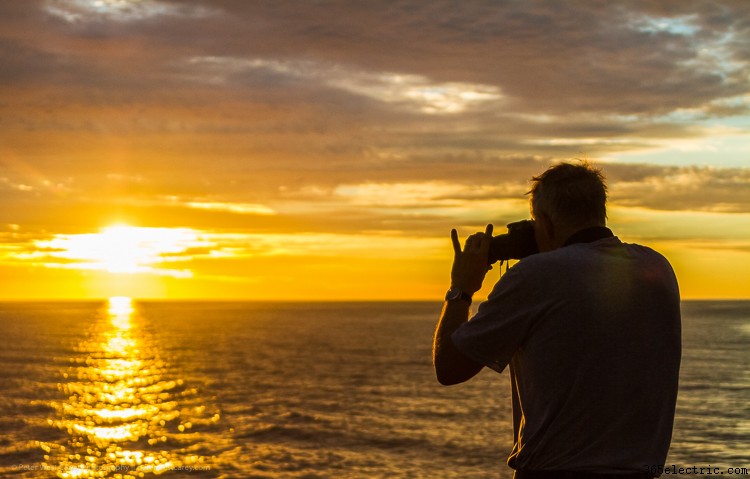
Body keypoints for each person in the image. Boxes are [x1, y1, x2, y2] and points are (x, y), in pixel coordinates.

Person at [432, 162, 681, 479]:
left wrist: (461, 289)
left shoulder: (537, 276)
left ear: (546, 222)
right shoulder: (657, 268)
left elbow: (450, 368)